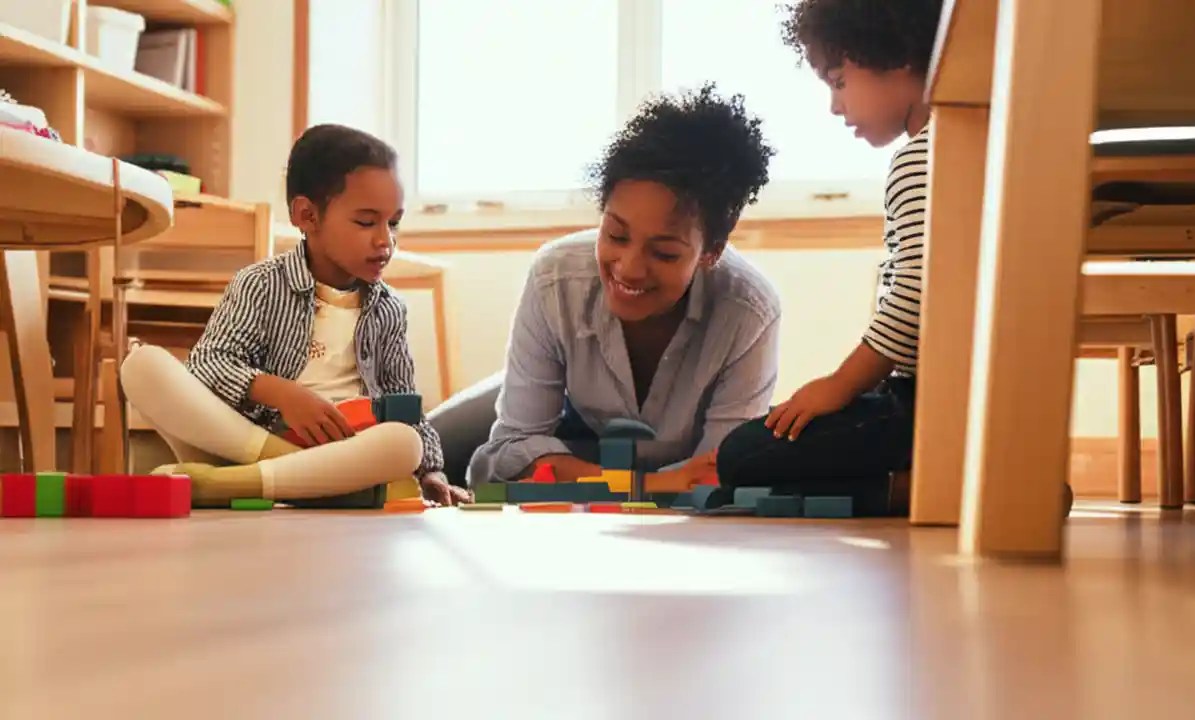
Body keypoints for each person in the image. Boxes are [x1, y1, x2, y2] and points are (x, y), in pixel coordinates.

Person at [121, 124, 468, 507]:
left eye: (394, 223)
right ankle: (306, 482)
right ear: (307, 215)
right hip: (250, 439)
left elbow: (405, 404)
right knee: (142, 365)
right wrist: (283, 394)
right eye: (367, 222)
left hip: (347, 452)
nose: (385, 240)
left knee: (405, 443)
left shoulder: (388, 310)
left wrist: (433, 472)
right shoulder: (261, 284)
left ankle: (225, 485)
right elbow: (208, 364)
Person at [466, 83, 781, 489]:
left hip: (599, 464)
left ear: (711, 252)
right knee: (456, 454)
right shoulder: (555, 279)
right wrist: (647, 486)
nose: (630, 270)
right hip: (572, 433)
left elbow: (717, 473)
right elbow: (510, 449)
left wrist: (593, 481)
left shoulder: (748, 309)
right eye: (615, 235)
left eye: (664, 253)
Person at [715, 0, 941, 514]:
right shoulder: (965, 150)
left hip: (929, 403)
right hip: (958, 398)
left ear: (900, 59)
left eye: (839, 82)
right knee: (758, 461)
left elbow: (916, 293)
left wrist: (841, 385)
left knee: (742, 457)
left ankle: (924, 488)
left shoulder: (921, 159)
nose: (835, 108)